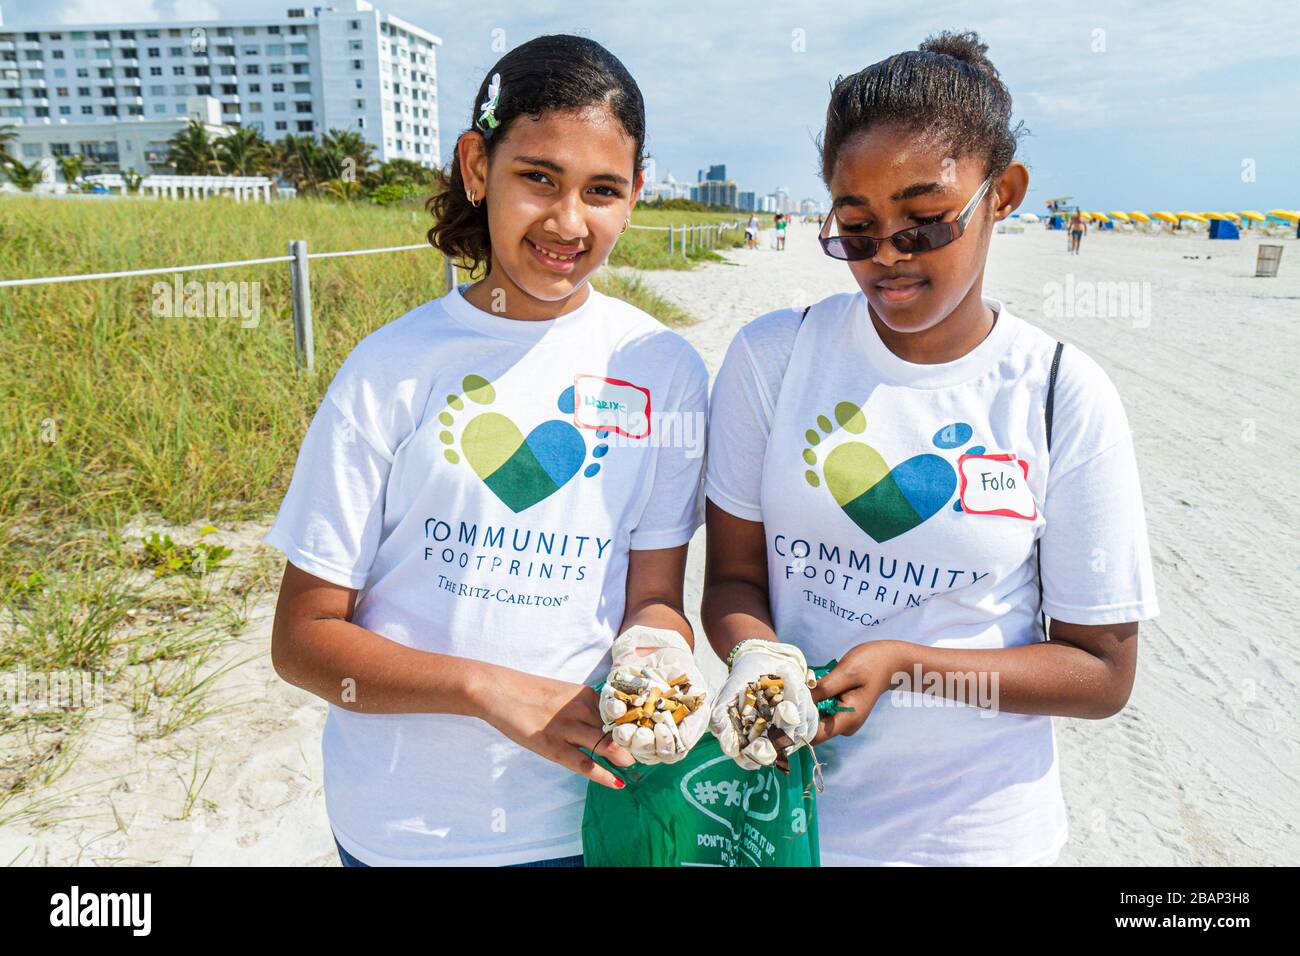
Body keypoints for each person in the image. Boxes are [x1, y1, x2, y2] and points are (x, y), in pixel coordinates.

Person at [702, 30, 1158, 866]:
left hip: (975, 837)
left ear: (1003, 193)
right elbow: (733, 577)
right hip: (781, 826)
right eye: (856, 228)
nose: (887, 260)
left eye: (924, 222)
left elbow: (1100, 674)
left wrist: (908, 667)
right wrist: (757, 658)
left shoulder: (1062, 393)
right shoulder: (774, 358)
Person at [264, 34, 711, 867]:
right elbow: (302, 641)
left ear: (637, 194)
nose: (568, 222)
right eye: (537, 177)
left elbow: (653, 597)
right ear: (478, 165)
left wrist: (661, 656)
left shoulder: (664, 371)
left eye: (603, 190)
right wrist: (483, 689)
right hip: (404, 827)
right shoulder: (391, 368)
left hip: (591, 814)